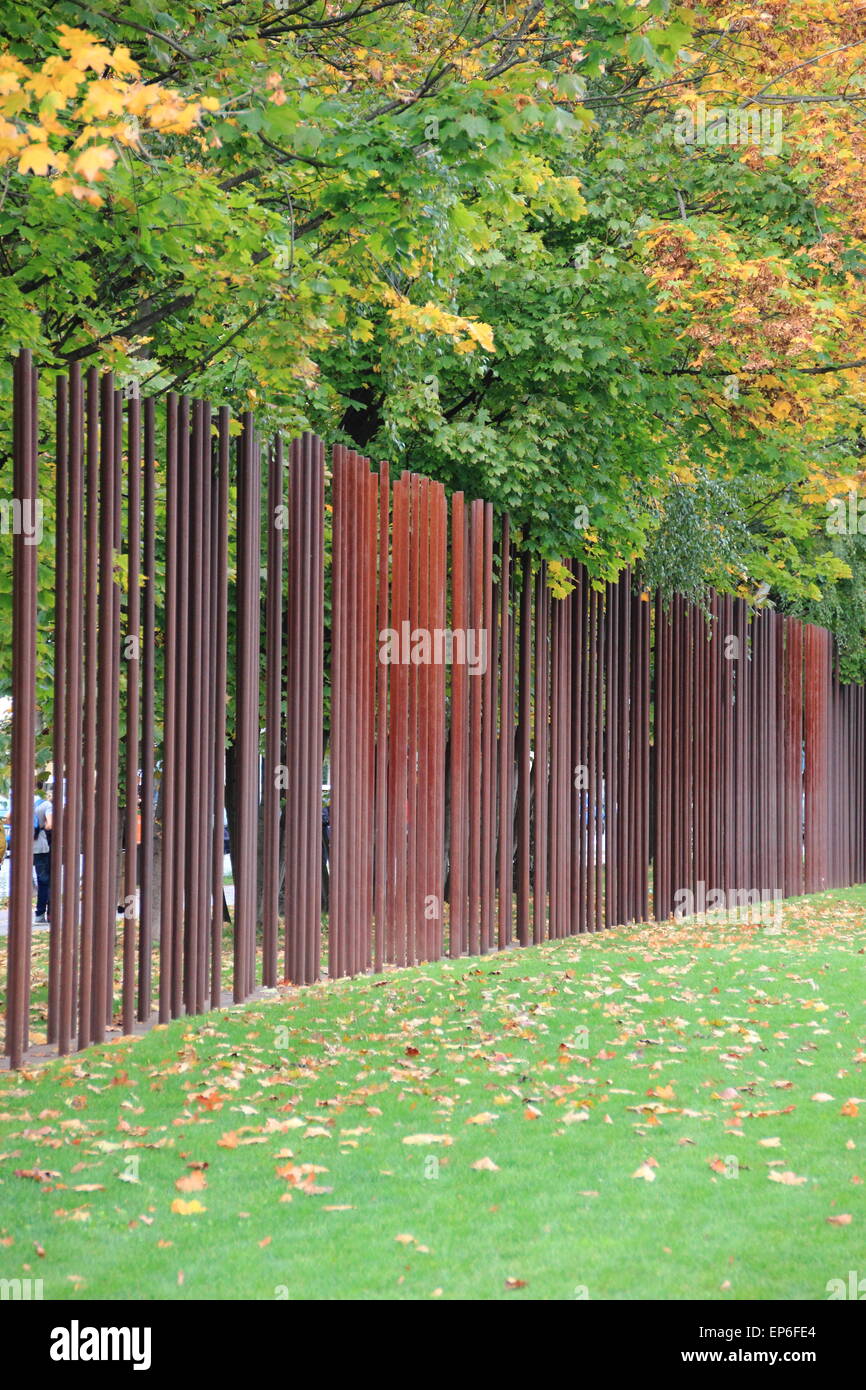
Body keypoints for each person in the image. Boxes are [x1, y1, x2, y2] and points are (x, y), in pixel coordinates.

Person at [33, 779, 52, 923]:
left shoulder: (20, 801)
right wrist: (42, 827)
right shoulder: (46, 804)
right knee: (44, 880)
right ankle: (42, 914)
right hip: (41, 846)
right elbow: (50, 825)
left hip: (24, 846)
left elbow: (8, 819)